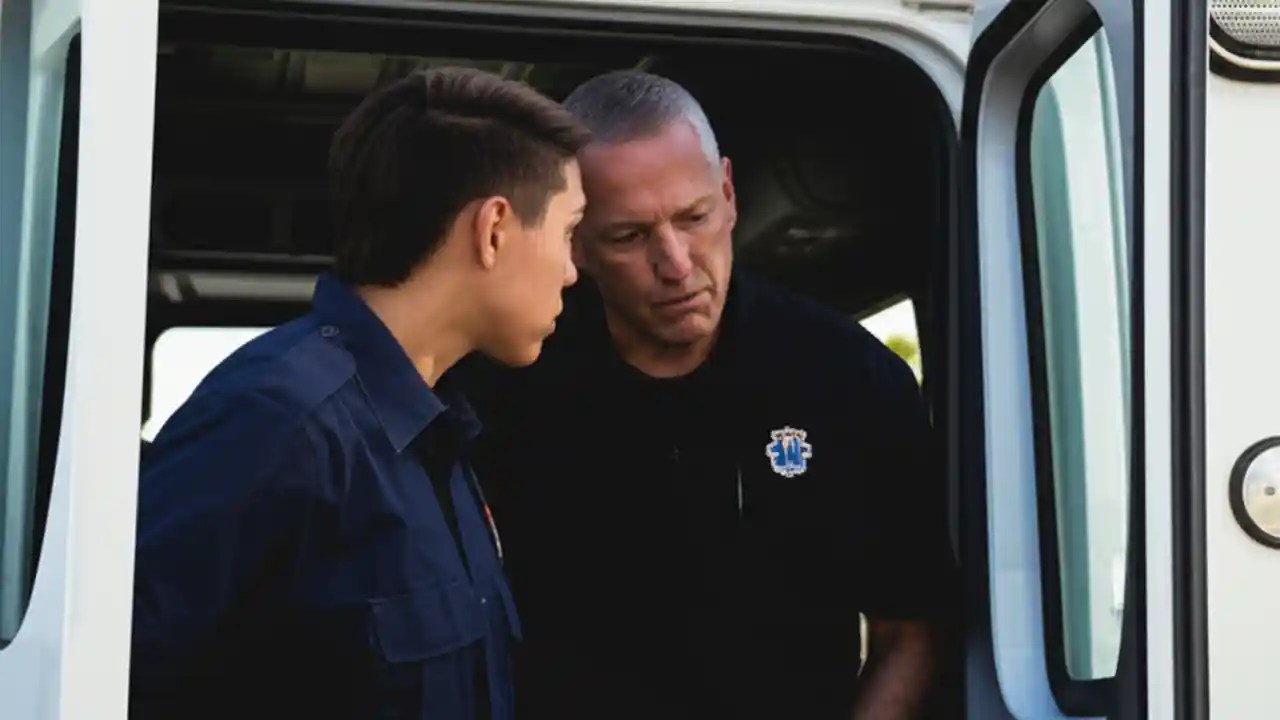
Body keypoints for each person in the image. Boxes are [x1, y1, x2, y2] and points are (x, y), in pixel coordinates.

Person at [455, 70, 956, 720]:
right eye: (629, 236)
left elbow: (909, 631)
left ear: (728, 193)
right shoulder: (506, 388)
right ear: (574, 240)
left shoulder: (848, 377)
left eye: (694, 218)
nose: (676, 264)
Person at [129, 67, 589, 720]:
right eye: (569, 231)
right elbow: (112, 676)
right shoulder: (280, 424)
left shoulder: (439, 443)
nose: (572, 271)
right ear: (493, 229)